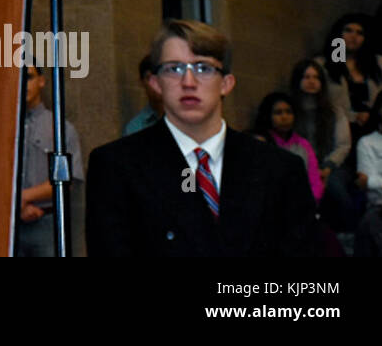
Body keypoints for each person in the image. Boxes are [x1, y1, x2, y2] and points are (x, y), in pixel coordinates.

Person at [86, 19, 316, 256]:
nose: (188, 82)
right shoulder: (116, 165)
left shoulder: (279, 168)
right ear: (155, 83)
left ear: (226, 83)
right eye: (174, 69)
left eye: (203, 68)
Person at [14, 63, 84, 256]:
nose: (23, 83)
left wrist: (22, 198)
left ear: (42, 81)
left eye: (28, 77)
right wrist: (16, 206)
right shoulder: (2, 127)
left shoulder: (61, 128)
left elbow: (65, 181)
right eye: (18, 78)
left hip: (46, 224)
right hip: (5, 222)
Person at [289, 58, 357, 230]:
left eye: (316, 77)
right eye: (306, 77)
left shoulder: (334, 112)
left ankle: (347, 234)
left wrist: (327, 167)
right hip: (299, 165)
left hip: (331, 166)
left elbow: (343, 145)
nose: (311, 81)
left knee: (337, 190)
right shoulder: (290, 111)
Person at [321, 12, 382, 129]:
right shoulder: (323, 64)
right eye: (348, 30)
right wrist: (353, 116)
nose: (354, 36)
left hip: (376, 126)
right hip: (339, 127)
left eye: (360, 33)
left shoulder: (380, 63)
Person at [253, 92, 323, 204]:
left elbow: (314, 180)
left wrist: (310, 202)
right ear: (268, 116)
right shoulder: (261, 142)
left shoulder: (303, 145)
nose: (284, 117)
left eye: (288, 112)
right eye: (278, 113)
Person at [356, 88, 382, 214]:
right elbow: (366, 180)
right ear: (379, 111)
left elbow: (371, 181)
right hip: (380, 207)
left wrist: (379, 182)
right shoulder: (367, 142)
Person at [121, 54, 162, 136]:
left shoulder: (187, 115)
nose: (156, 83)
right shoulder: (135, 127)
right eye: (149, 78)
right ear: (142, 83)